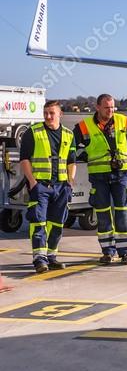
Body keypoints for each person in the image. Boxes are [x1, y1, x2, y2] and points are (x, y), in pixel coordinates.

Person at [74, 94, 127, 265]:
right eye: (107, 107)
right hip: (99, 176)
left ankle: (125, 251)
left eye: (112, 107)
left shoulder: (124, 121)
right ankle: (107, 251)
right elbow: (73, 146)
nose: (110, 111)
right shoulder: (84, 126)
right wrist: (84, 155)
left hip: (121, 174)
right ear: (97, 107)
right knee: (103, 214)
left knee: (122, 212)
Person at [19, 100, 76, 273]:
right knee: (39, 223)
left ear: (60, 114)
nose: (48, 116)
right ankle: (39, 259)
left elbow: (72, 161)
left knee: (57, 224)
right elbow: (24, 159)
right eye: (45, 113)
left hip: (61, 187)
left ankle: (51, 257)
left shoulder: (68, 134)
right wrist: (32, 182)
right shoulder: (33, 132)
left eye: (52, 113)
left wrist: (70, 181)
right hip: (41, 186)